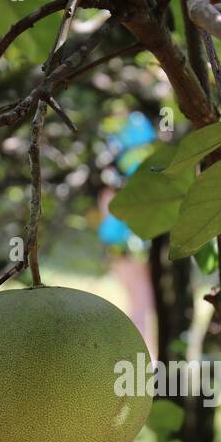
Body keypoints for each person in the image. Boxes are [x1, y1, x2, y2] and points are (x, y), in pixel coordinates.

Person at [97, 111, 158, 346]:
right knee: (141, 303)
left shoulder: (114, 179)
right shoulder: (134, 176)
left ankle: (137, 353)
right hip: (130, 249)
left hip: (126, 249)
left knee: (140, 303)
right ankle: (139, 354)